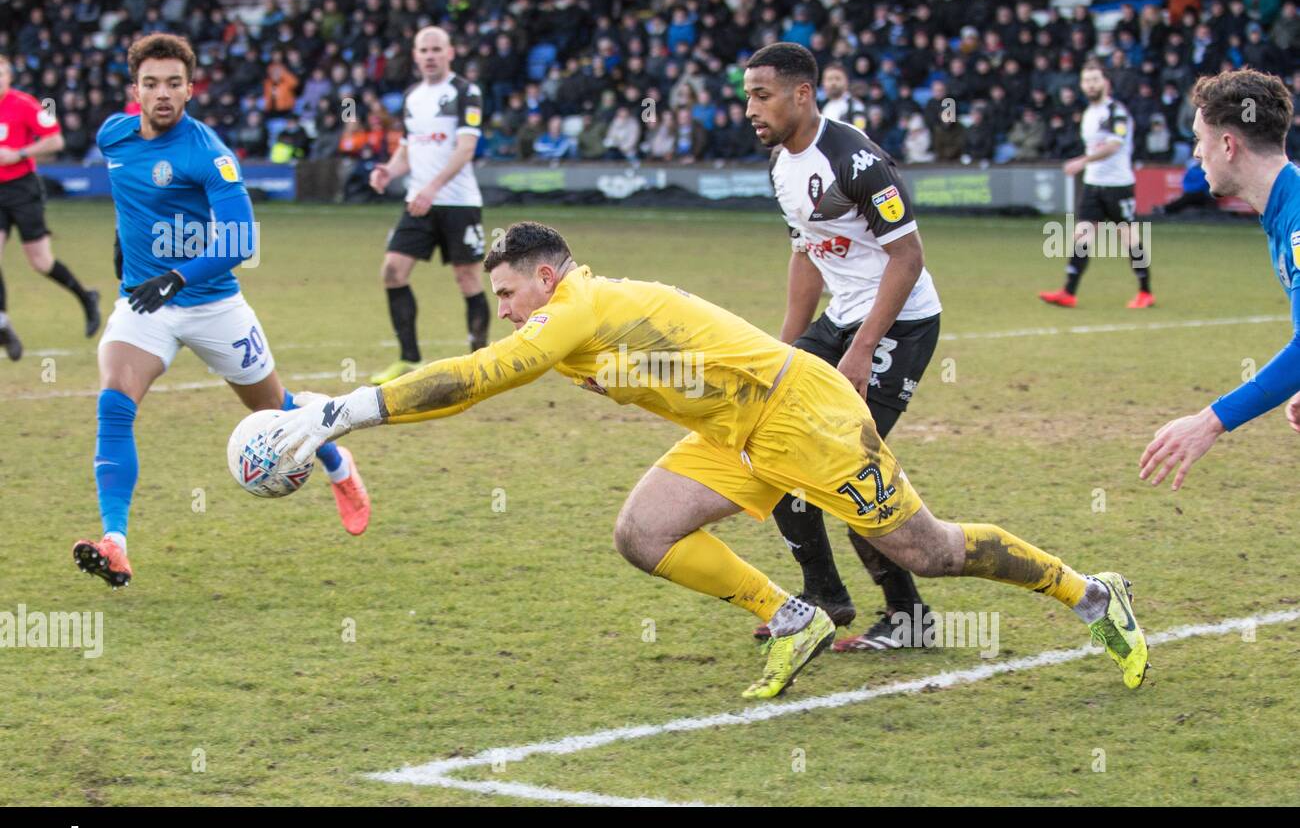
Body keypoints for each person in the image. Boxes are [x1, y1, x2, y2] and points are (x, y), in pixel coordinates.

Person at [269, 222, 1151, 697]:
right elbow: (648, 367)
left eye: (508, 293)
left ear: (548, 275)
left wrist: (345, 410)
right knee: (643, 532)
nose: (503, 310)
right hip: (742, 428)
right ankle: (794, 616)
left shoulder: (577, 308)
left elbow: (473, 380)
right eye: (496, 296)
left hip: (802, 414)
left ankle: (1094, 595)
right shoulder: (579, 319)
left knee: (929, 551)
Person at [72, 33, 371, 589]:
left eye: (174, 84)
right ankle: (115, 541)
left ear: (191, 88)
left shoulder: (208, 152)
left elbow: (238, 239)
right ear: (134, 88)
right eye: (151, 83)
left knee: (278, 412)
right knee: (113, 403)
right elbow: (131, 200)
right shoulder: (113, 137)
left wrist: (178, 277)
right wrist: (125, 245)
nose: (163, 94)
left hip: (213, 305)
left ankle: (338, 465)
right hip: (144, 303)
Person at [747, 42, 945, 653]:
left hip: (900, 324)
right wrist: (787, 346)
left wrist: (862, 349)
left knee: (848, 467)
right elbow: (807, 251)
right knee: (768, 442)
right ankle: (824, 598)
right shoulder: (780, 162)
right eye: (747, 96)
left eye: (762, 95)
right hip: (840, 319)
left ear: (802, 94)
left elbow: (907, 259)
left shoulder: (854, 159)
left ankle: (909, 618)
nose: (750, 109)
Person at [1140, 69, 1300, 490]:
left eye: (1199, 138)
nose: (1195, 153)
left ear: (1228, 145)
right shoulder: (1285, 208)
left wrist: (1210, 421)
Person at [368, 26, 488, 385]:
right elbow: (409, 148)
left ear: (450, 53)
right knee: (392, 272)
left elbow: (465, 149)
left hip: (458, 202)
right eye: (424, 50)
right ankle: (408, 359)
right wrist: (389, 171)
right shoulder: (411, 97)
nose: (431, 55)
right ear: (416, 55)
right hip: (418, 202)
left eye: (437, 49)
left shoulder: (467, 92)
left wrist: (432, 188)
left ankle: (479, 364)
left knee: (467, 278)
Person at [0, 55, 101, 361]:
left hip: (22, 188)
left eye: (2, 73)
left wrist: (18, 152)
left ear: (10, 76)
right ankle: (3, 325)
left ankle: (87, 298)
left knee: (41, 262)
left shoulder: (25, 104)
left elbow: (55, 141)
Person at [1040, 60, 1152, 309]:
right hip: (1093, 184)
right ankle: (1068, 291)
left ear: (1106, 83)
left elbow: (1114, 146)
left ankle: (1145, 291)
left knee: (1128, 237)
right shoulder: (1089, 114)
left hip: (1118, 185)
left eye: (1095, 80)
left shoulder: (1117, 112)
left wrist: (1083, 161)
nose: (1090, 85)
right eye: (1086, 80)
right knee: (1081, 235)